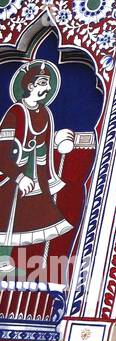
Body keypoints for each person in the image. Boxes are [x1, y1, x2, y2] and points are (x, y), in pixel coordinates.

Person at [0, 62, 79, 274]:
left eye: (48, 85)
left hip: (35, 171)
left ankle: (32, 265)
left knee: (32, 217)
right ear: (30, 86)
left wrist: (58, 140)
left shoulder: (44, 113)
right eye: (42, 84)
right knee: (6, 212)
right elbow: (2, 151)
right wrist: (18, 177)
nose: (46, 89)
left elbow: (43, 145)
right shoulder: (15, 112)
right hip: (10, 173)